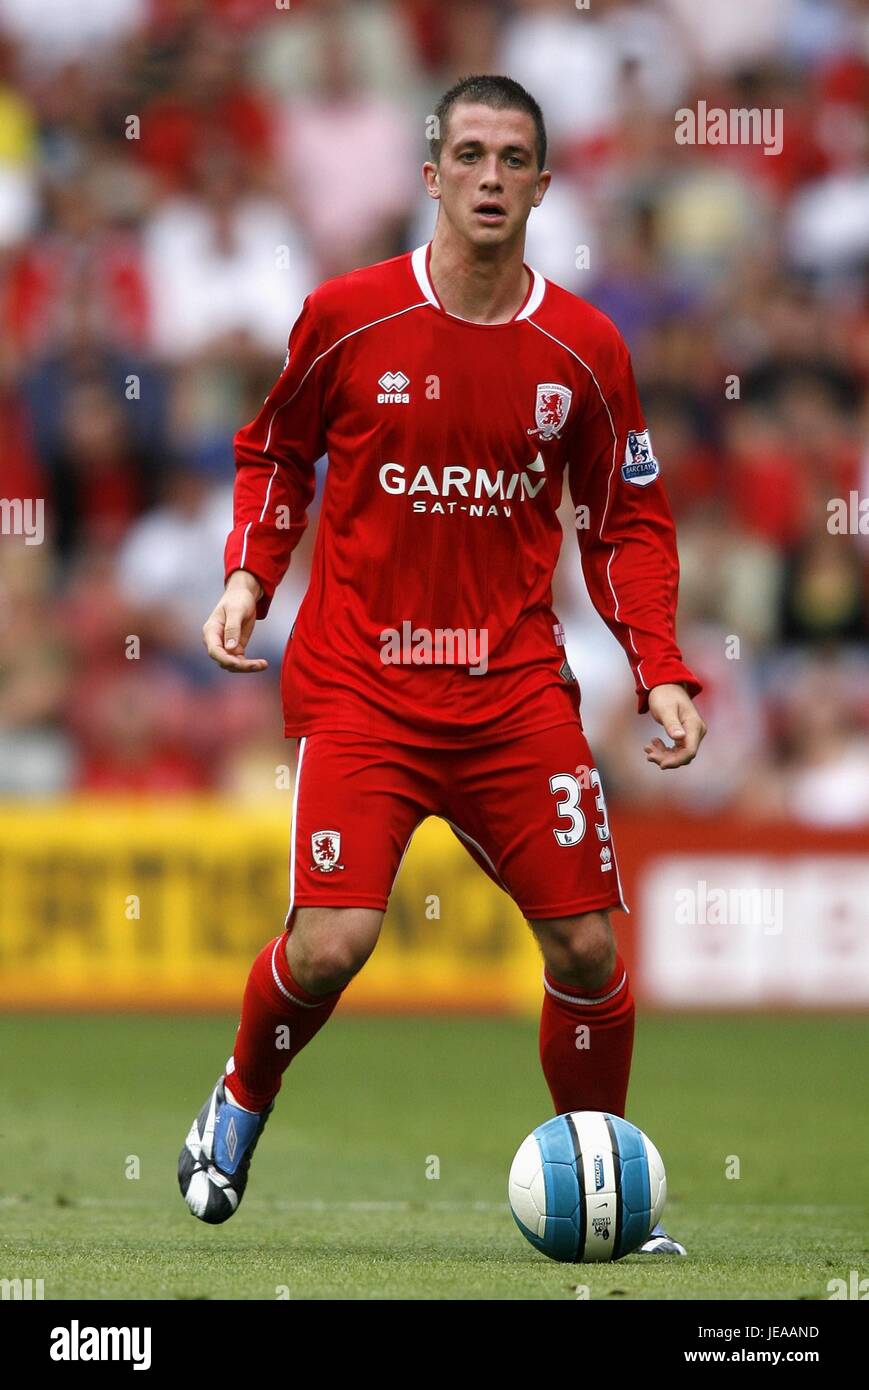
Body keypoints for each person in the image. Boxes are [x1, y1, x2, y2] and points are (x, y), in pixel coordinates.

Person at [178, 76, 706, 1254]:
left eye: (511, 158)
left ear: (540, 182)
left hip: (513, 689)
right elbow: (274, 449)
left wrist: (659, 666)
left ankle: (602, 1188)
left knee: (585, 945)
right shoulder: (347, 315)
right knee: (332, 942)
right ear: (429, 175)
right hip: (364, 680)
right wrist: (247, 576)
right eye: (467, 153)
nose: (487, 176)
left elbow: (626, 520)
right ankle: (240, 1098)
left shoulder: (583, 348)